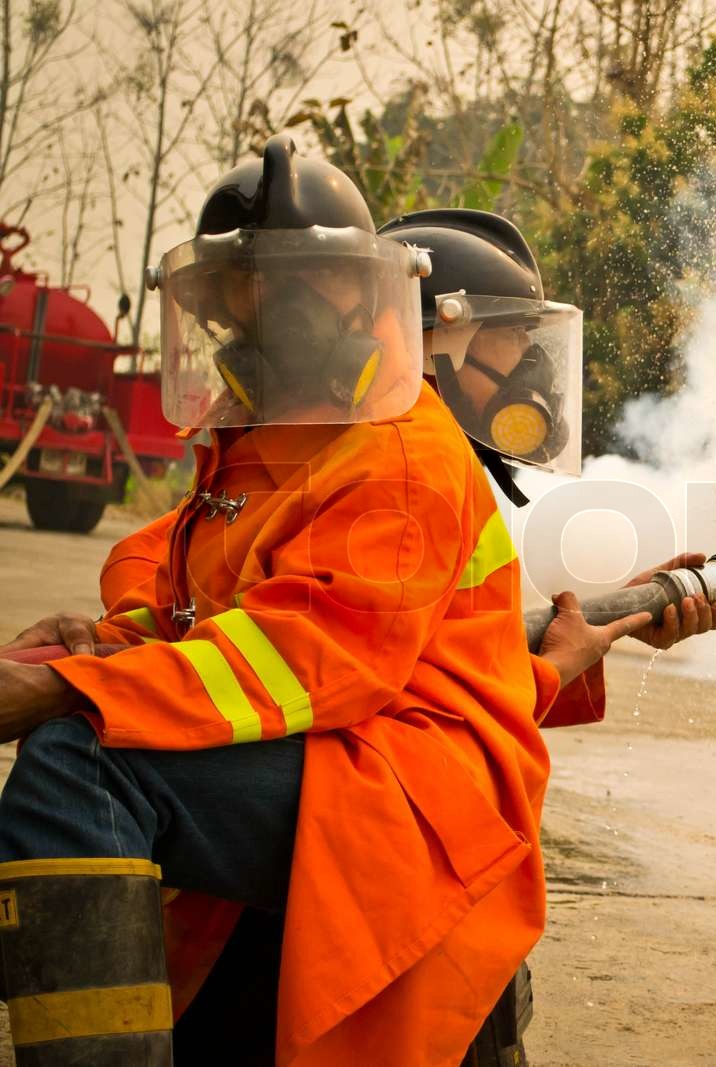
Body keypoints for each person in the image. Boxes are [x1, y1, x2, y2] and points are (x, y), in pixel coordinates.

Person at [0, 134, 651, 1066]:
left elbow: (311, 657)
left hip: (413, 782)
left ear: (364, 293)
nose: (260, 319)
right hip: (352, 747)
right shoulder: (275, 442)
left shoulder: (395, 452)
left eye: (292, 288)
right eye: (236, 300)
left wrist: (70, 691)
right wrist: (104, 649)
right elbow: (212, 605)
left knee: (80, 763)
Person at [377, 206, 716, 730]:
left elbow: (448, 648)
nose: (528, 359)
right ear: (436, 342)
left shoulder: (420, 453)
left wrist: (614, 615)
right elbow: (396, 694)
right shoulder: (405, 468)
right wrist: (556, 668)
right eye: (513, 333)